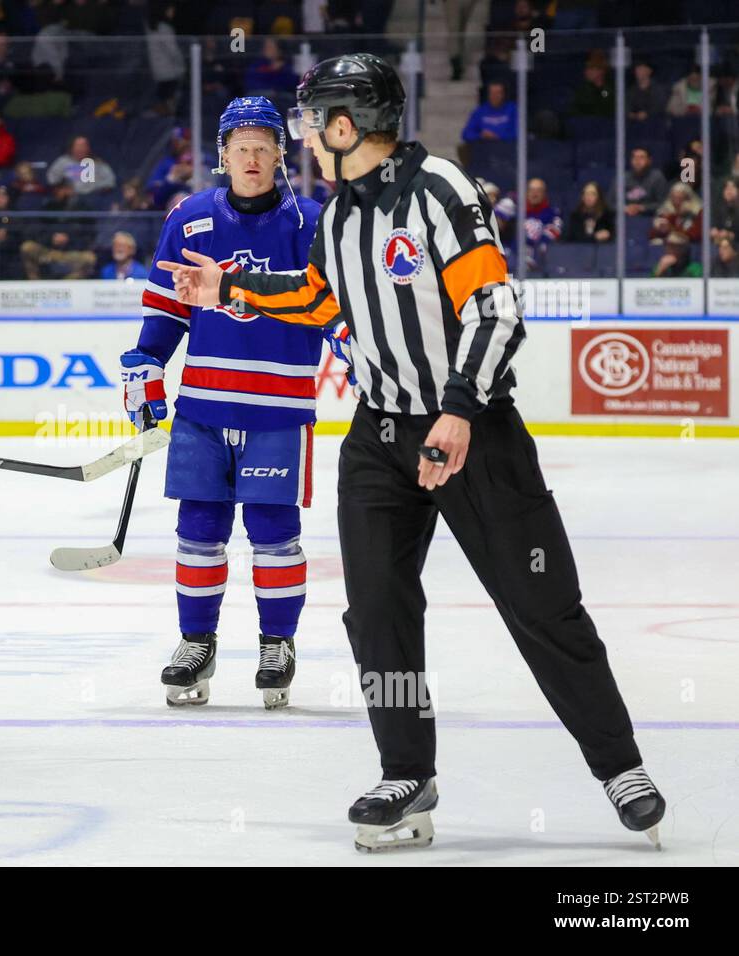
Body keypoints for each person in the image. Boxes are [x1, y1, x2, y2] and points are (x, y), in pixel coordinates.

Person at [159, 54, 665, 851]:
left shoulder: (440, 192)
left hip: (473, 433)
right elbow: (318, 298)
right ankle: (407, 771)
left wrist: (459, 412)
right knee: (379, 611)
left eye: (309, 123)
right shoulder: (334, 218)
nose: (299, 141)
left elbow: (496, 312)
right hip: (380, 438)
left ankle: (619, 765)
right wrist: (231, 292)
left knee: (541, 606)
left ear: (343, 125)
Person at [121, 96, 324, 710]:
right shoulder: (189, 218)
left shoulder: (310, 223)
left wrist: (360, 357)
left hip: (279, 411)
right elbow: (165, 309)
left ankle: (276, 645)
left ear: (281, 154)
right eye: (243, 148)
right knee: (199, 529)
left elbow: (333, 309)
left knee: (272, 530)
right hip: (204, 408)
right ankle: (196, 642)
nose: (253, 158)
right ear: (223, 155)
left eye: (264, 146)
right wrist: (145, 363)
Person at [47, 135, 117, 196]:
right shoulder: (62, 162)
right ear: (72, 148)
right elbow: (52, 179)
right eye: (78, 146)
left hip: (92, 198)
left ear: (88, 148)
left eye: (83, 146)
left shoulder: (98, 164)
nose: (81, 149)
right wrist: (62, 189)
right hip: (68, 198)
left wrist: (97, 190)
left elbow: (110, 182)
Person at [624, 146, 668, 216]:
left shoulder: (657, 177)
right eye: (634, 157)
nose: (637, 160)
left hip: (650, 218)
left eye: (641, 157)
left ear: (649, 160)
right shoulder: (623, 178)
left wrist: (642, 208)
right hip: (625, 219)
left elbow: (664, 203)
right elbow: (610, 203)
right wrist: (625, 208)